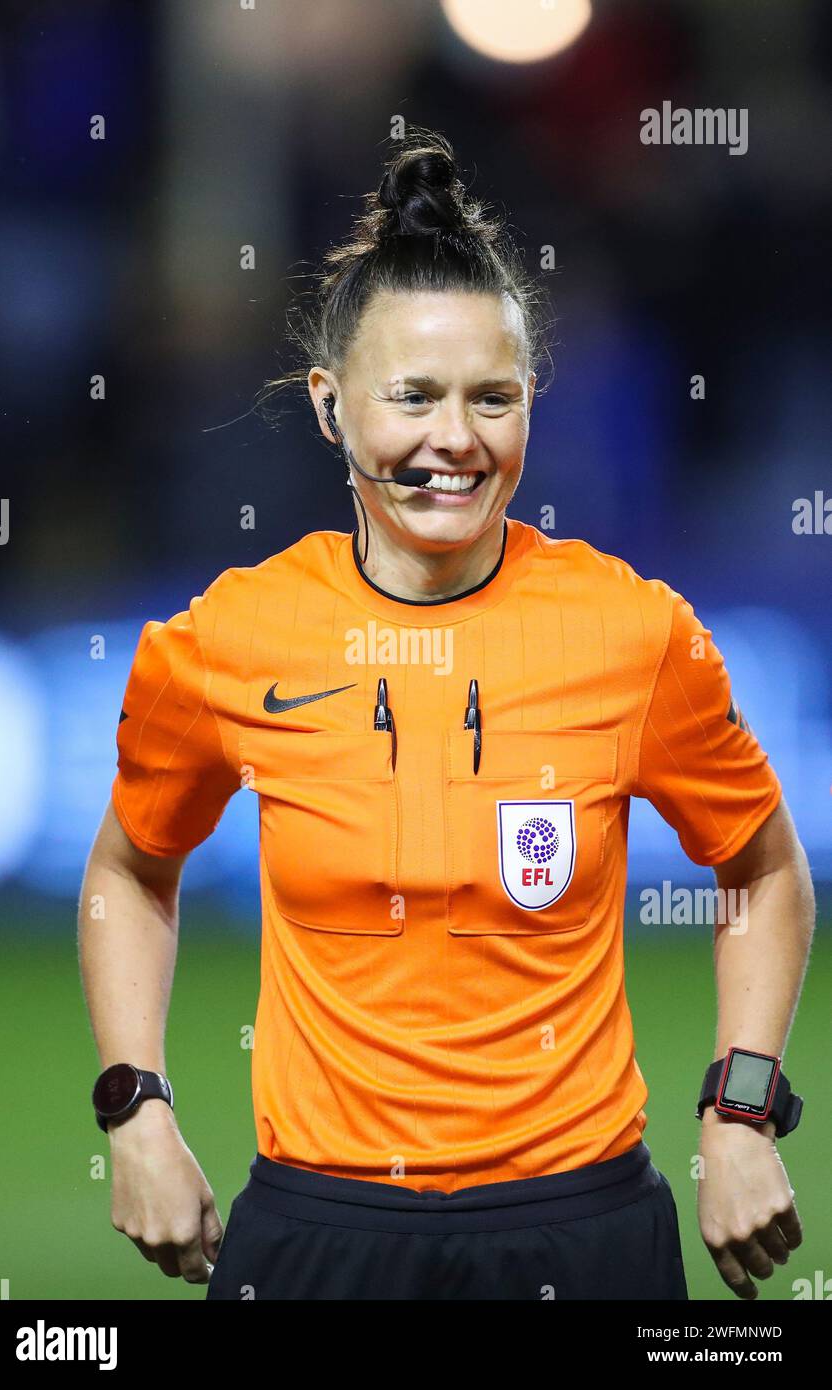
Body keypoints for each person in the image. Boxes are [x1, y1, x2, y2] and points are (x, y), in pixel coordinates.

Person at [79, 127, 812, 1301]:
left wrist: (738, 1107)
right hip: (318, 1230)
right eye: (411, 396)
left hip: (583, 1230)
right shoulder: (225, 639)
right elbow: (130, 867)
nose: (452, 440)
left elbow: (762, 866)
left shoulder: (633, 632)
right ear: (329, 405)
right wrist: (135, 1108)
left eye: (492, 397)